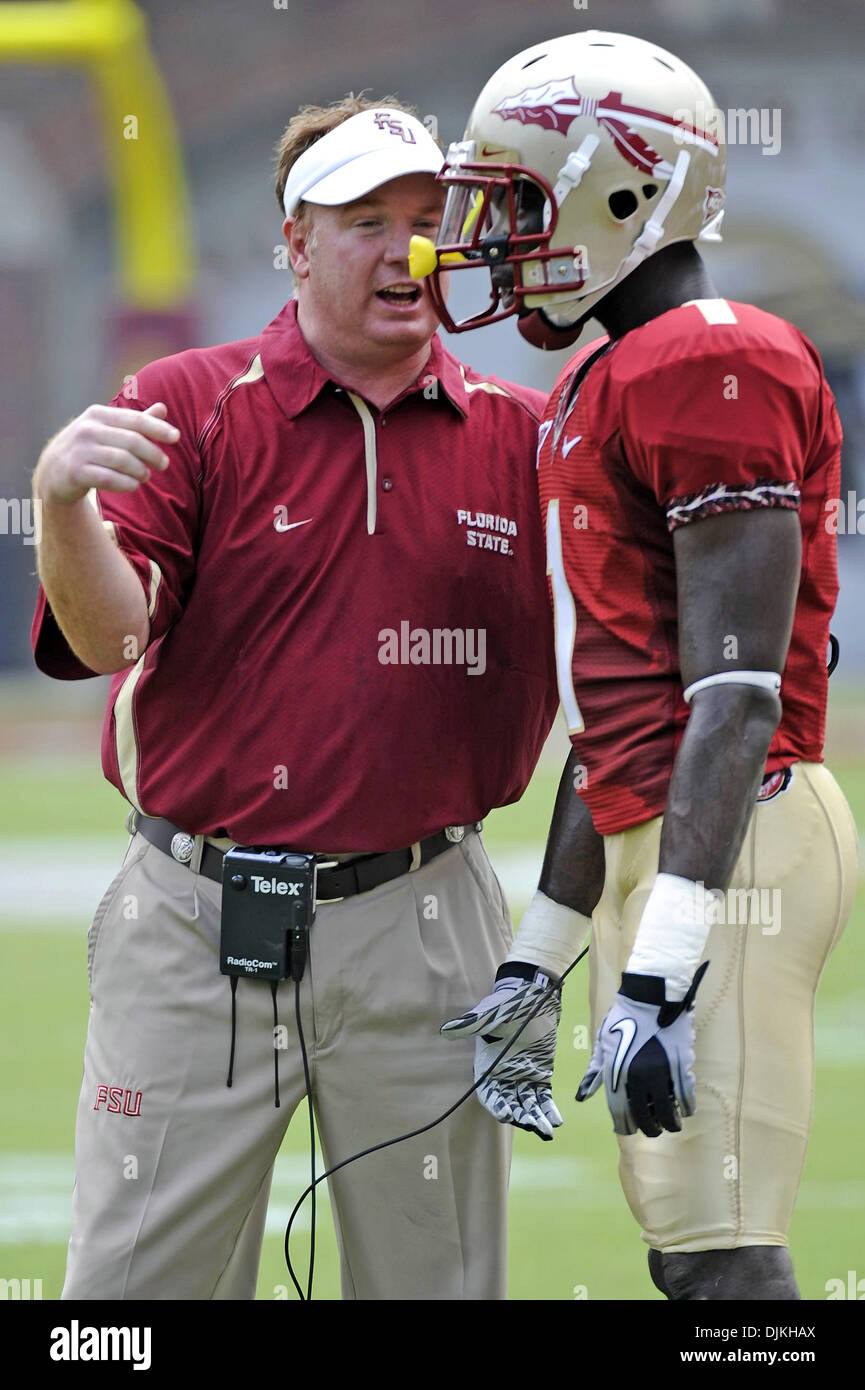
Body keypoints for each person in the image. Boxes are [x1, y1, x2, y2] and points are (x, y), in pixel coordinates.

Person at [30, 95, 558, 1301]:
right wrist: (60, 505)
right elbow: (111, 633)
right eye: (365, 219)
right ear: (295, 243)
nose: (404, 248)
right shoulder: (187, 397)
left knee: (439, 1288)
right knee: (121, 1306)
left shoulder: (528, 437)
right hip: (196, 915)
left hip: (430, 916)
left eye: (427, 220)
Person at [428, 31, 859, 1299]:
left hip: (738, 835)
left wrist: (666, 958)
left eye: (514, 205)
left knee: (721, 1253)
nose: (491, 241)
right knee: (686, 1250)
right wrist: (537, 956)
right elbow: (612, 713)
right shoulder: (602, 372)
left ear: (619, 193)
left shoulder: (704, 355)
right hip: (671, 833)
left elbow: (734, 694)